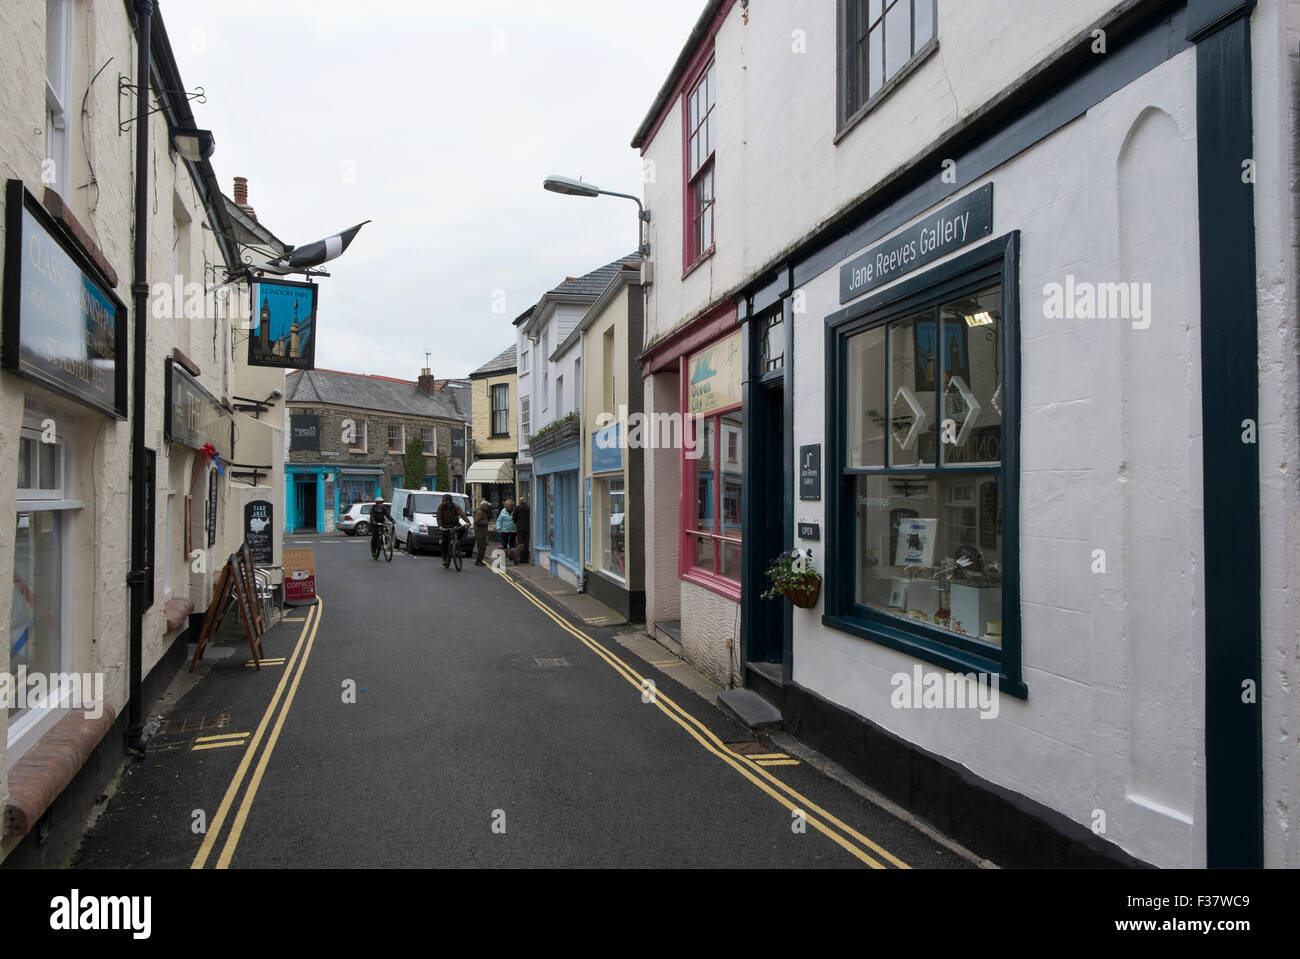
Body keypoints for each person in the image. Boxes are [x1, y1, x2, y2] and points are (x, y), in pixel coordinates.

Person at [436, 493, 469, 568]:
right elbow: (439, 518)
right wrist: (440, 526)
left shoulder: (455, 506)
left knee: (463, 529)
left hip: (454, 523)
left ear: (449, 501)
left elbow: (462, 514)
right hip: (444, 525)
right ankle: (444, 558)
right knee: (444, 542)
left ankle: (458, 542)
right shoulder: (441, 507)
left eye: (444, 500)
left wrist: (468, 522)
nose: (443, 502)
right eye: (442, 500)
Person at [472, 500, 492, 566]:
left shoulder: (482, 511)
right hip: (480, 533)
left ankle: (480, 560)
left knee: (483, 547)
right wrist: (486, 522)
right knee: (481, 547)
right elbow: (476, 521)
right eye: (487, 506)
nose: (488, 507)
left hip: (482, 532)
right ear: (483, 506)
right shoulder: (479, 512)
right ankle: (478, 561)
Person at [513, 496, 530, 563]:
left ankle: (522, 558)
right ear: (525, 500)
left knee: (521, 544)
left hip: (520, 527)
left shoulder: (517, 508)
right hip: (527, 527)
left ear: (520, 501)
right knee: (526, 543)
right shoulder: (528, 508)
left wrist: (517, 523)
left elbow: (514, 517)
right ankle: (526, 558)